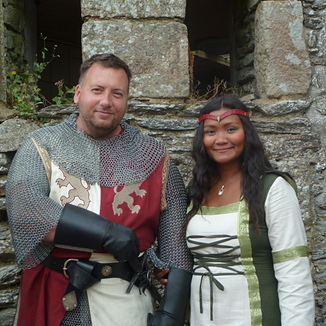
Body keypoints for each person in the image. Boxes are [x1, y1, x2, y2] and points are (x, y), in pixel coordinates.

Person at [6, 53, 193, 326]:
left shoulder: (155, 157)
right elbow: (26, 211)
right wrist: (107, 234)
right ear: (78, 93)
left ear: (126, 100)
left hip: (127, 303)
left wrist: (171, 314)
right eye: (97, 90)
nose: (106, 101)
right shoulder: (42, 145)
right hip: (58, 298)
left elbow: (176, 250)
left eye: (117, 93)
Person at [185, 95, 315, 325]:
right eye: (211, 131)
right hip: (202, 317)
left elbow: (293, 270)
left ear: (247, 134)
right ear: (201, 139)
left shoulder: (273, 188)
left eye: (231, 129)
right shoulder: (196, 192)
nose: (221, 139)